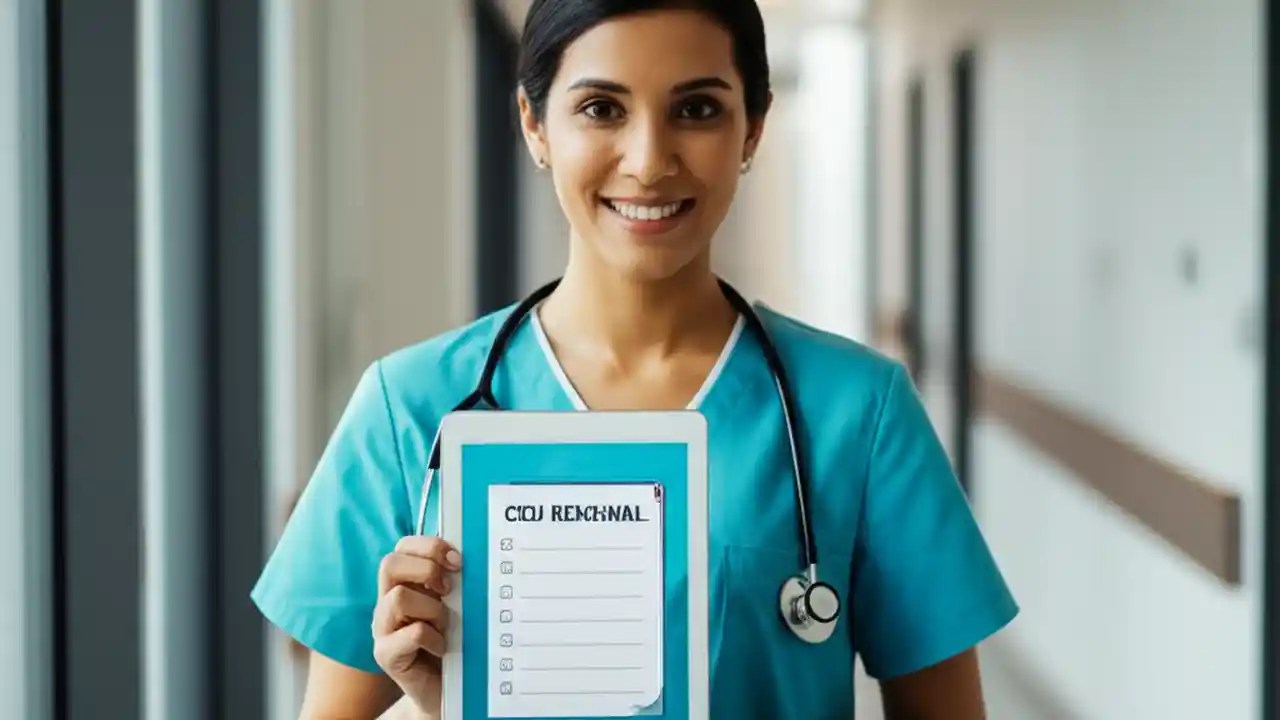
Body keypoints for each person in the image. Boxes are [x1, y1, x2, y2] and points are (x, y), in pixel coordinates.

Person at [250, 1, 1019, 718]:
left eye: (697, 109)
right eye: (600, 108)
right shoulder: (410, 406)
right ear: (534, 125)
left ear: (752, 128)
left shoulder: (858, 410)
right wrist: (431, 701)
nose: (650, 161)